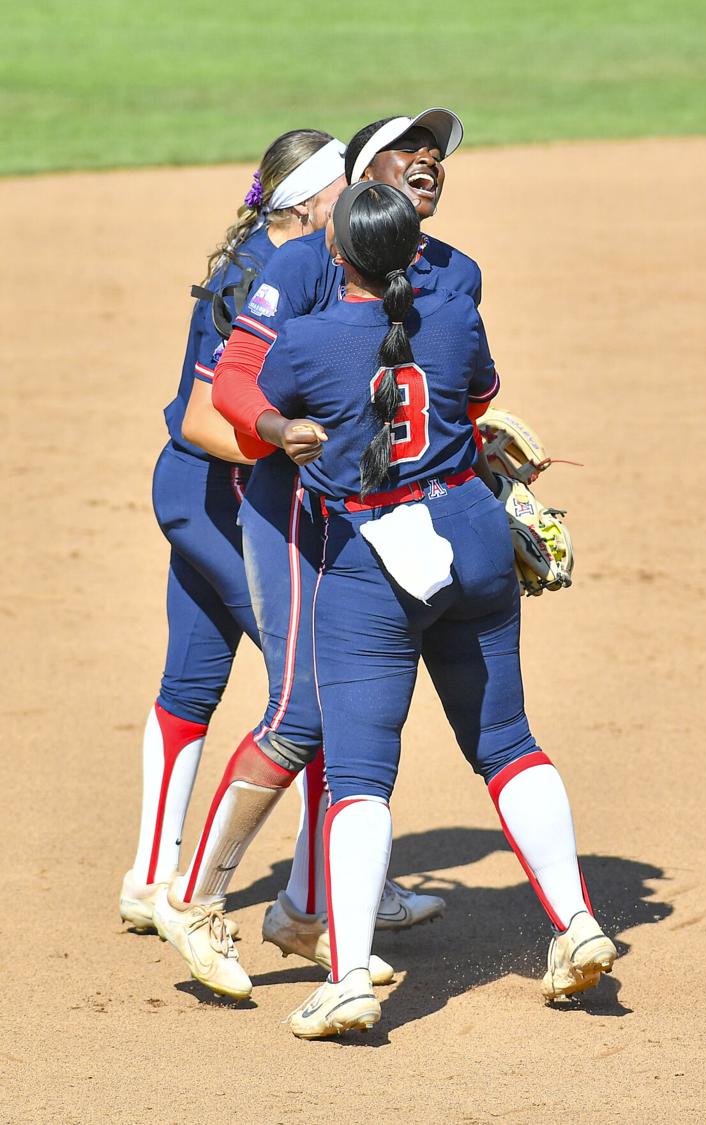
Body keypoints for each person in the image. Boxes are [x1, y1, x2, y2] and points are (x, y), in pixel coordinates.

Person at [255, 181, 618, 1038]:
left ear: (335, 254)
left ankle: (348, 978)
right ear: (413, 251)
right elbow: (477, 396)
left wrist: (282, 427)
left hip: (369, 564)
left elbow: (271, 412)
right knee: (506, 741)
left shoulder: (304, 340)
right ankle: (577, 922)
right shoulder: (455, 314)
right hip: (471, 535)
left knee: (358, 776)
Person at [152, 110, 480, 999]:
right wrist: (277, 428)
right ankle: (195, 899)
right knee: (299, 707)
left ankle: (305, 909)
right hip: (289, 513)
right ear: (359, 178)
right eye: (406, 157)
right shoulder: (295, 267)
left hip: (365, 522)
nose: (426, 169)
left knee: (348, 710)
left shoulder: (420, 270)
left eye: (435, 159)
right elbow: (224, 391)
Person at [118, 129, 348, 943]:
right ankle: (317, 902)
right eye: (343, 186)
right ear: (310, 199)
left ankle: (150, 879)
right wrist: (291, 438)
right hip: (213, 495)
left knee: (191, 681)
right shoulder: (260, 273)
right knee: (313, 693)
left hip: (206, 497)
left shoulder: (290, 258)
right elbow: (199, 419)